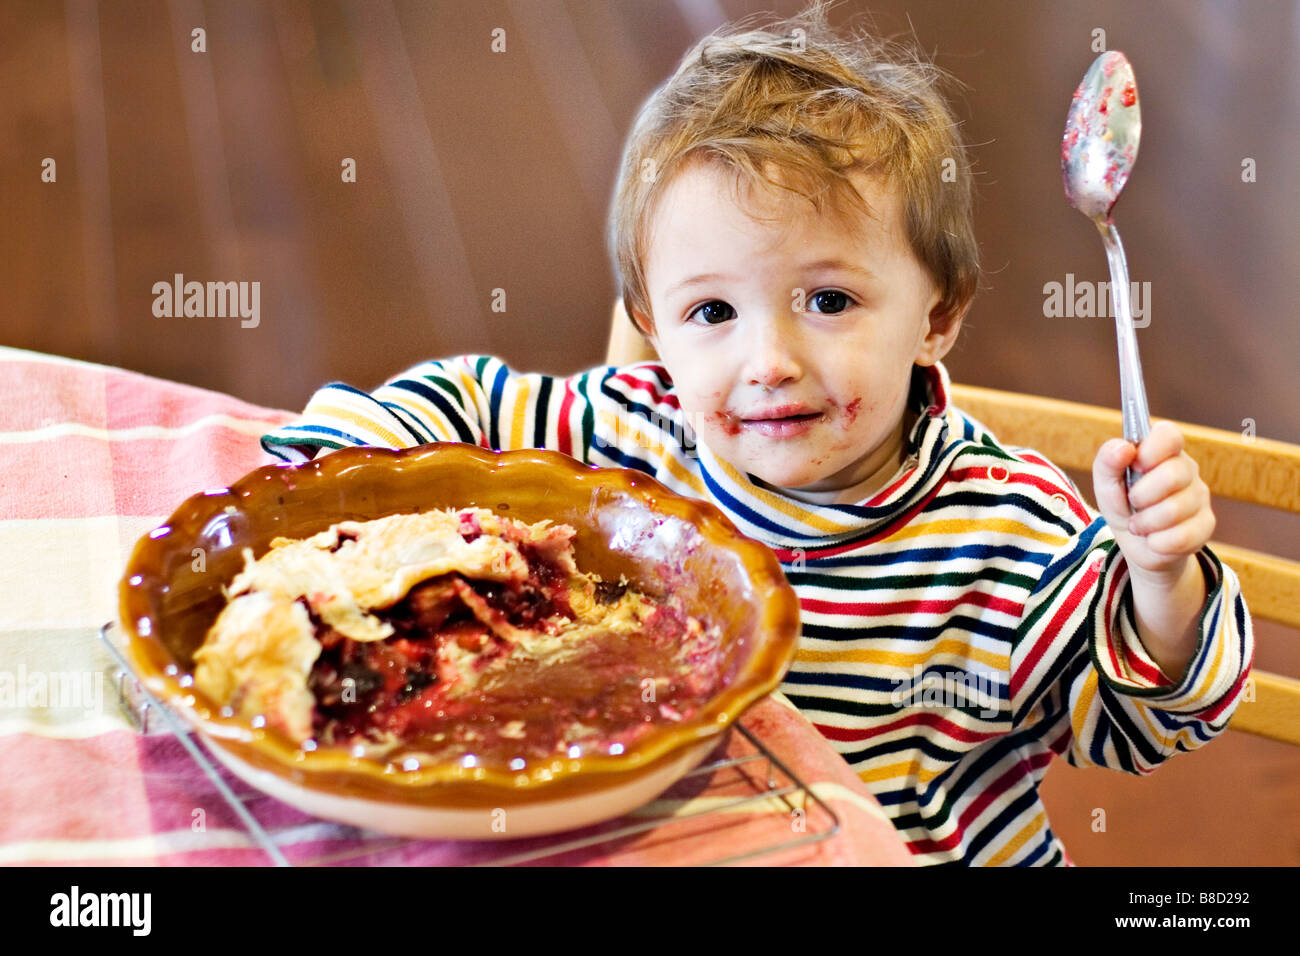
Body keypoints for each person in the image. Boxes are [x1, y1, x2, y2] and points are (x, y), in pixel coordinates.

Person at [260, 2, 1252, 865]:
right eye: (712, 314)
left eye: (826, 298)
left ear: (937, 316)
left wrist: (1163, 579)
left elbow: (1136, 720)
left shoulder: (1009, 530)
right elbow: (456, 405)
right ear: (653, 330)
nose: (767, 359)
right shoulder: (627, 430)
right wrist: (334, 499)